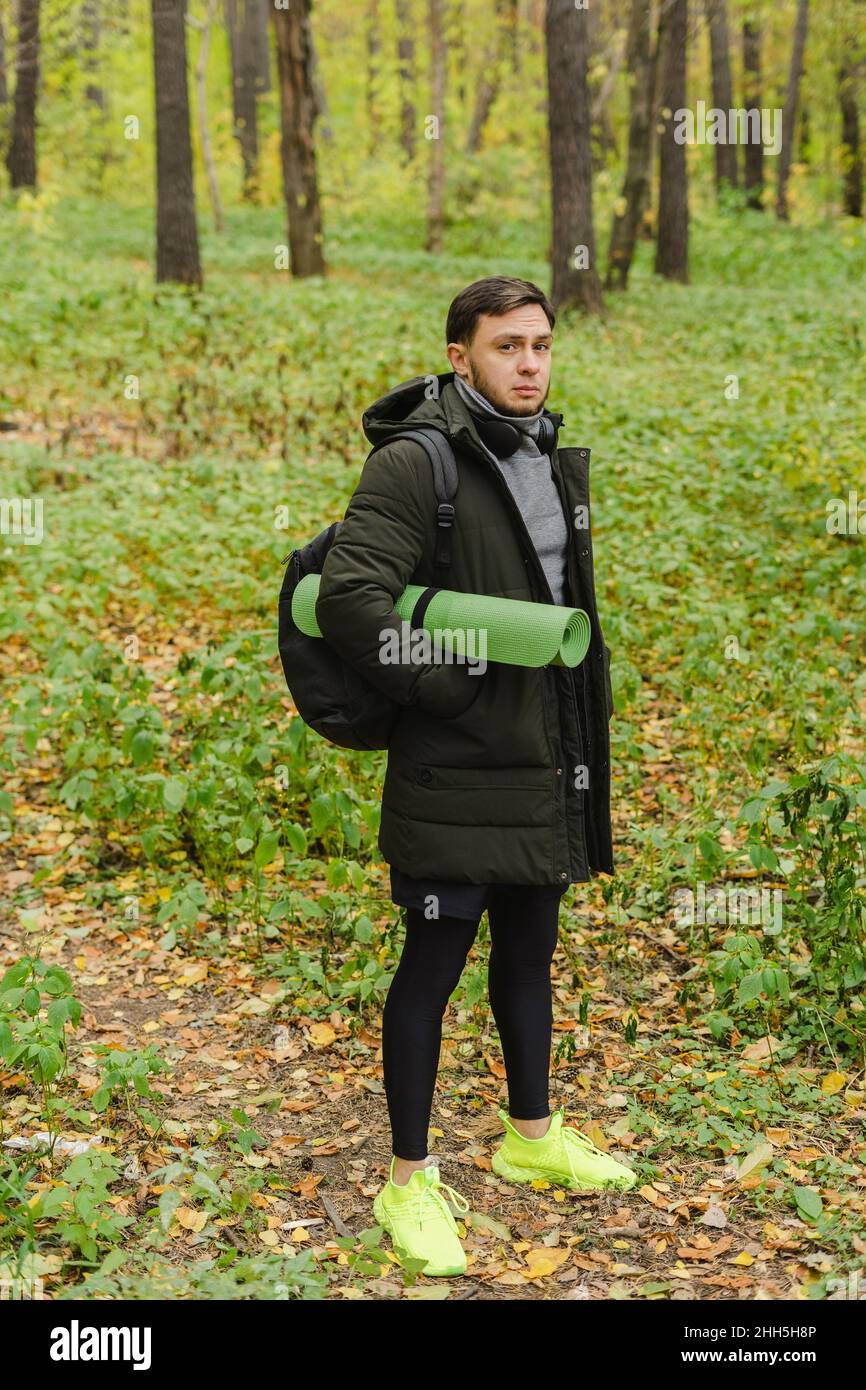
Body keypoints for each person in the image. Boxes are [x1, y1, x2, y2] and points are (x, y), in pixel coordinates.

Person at [315, 276, 636, 1278]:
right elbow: (349, 599)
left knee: (528, 953)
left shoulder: (545, 454)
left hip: (538, 761)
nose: (529, 364)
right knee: (430, 972)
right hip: (454, 770)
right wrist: (446, 686)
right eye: (506, 346)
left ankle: (529, 1133)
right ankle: (407, 1181)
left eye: (540, 344)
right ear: (459, 357)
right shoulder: (418, 463)